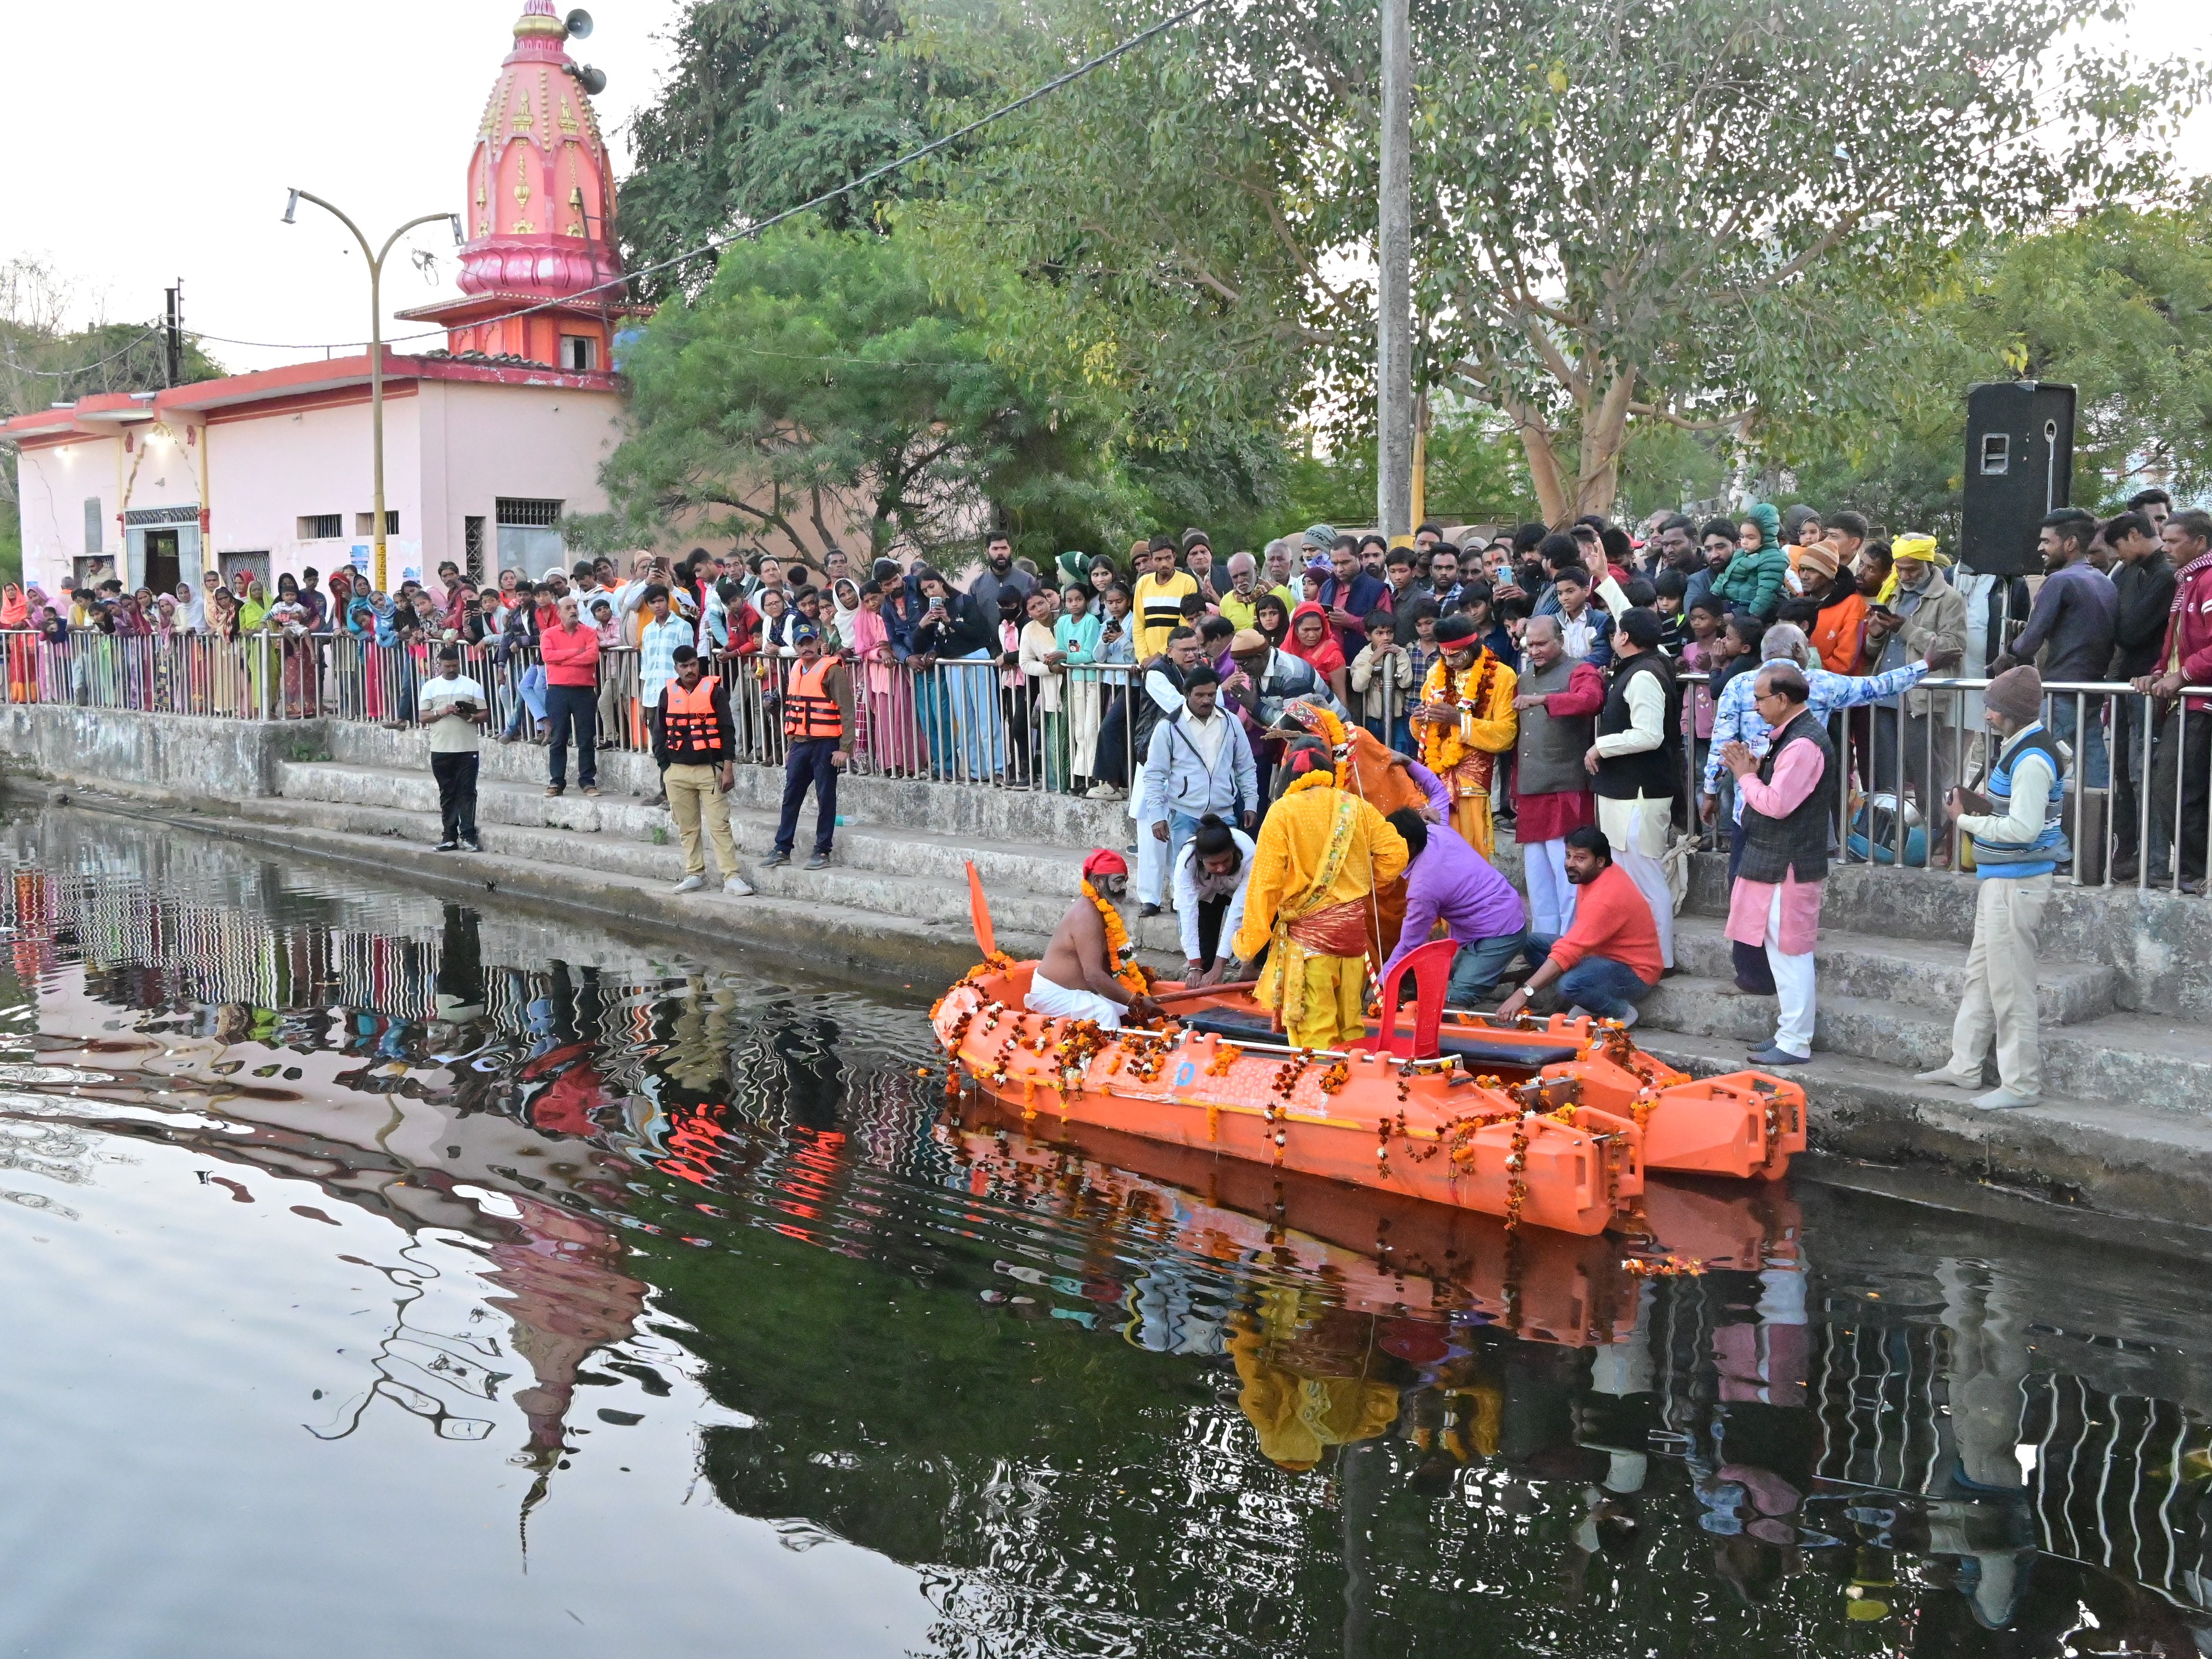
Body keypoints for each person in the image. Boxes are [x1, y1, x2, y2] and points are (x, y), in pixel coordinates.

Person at [1916, 666, 2067, 1107]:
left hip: (2017, 883)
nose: (1986, 715)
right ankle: (1964, 1066)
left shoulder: (2033, 759)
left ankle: (2021, 1085)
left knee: (2010, 986)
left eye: (1993, 709)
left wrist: (1964, 820)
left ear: (2011, 713)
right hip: (2003, 880)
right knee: (1981, 978)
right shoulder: (2023, 746)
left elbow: (2023, 828)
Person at [1230, 740, 1410, 1050]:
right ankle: (1353, 1087)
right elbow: (1396, 855)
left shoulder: (1282, 812)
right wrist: (1361, 884)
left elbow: (1265, 885)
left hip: (1310, 943)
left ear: (1287, 774)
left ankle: (1319, 1092)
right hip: (1354, 937)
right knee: (1350, 1025)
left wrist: (1249, 941)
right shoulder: (1356, 806)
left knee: (1315, 1031)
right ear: (1329, 769)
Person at [1719, 663, 1831, 1065]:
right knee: (1782, 952)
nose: (1756, 705)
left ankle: (1796, 1041)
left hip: (1790, 864)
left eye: (1761, 698)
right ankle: (1789, 1032)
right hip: (1779, 861)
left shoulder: (1804, 745)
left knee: (1791, 953)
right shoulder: (1792, 737)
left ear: (1783, 699)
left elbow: (1777, 804)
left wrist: (1746, 776)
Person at [1861, 535, 1969, 863]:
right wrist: (1877, 633)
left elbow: (1953, 648)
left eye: (1912, 569)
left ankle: (1933, 839)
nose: (1906, 576)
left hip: (1921, 699)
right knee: (1884, 773)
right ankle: (1882, 836)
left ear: (1928, 564)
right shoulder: (1892, 593)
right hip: (1887, 695)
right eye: (1900, 569)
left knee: (1925, 776)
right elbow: (1873, 651)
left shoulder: (1949, 599)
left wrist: (1906, 629)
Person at [1994, 507, 2115, 790]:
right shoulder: (2104, 581)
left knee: (2025, 755)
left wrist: (2009, 656)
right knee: (2093, 763)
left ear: (2070, 543)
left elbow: (2031, 639)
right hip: (2093, 689)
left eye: (2047, 541)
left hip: (2062, 688)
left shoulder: (2060, 581)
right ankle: (2097, 828)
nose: (2040, 548)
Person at [1495, 828, 1660, 1024]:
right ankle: (1584, 995)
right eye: (1568, 856)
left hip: (1635, 973)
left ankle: (1620, 1011)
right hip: (1597, 957)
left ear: (1600, 861)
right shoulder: (1595, 873)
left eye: (1580, 858)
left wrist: (1524, 993)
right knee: (1529, 942)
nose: (1570, 864)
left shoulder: (1605, 898)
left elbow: (1569, 950)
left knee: (1569, 984)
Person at [1589, 609, 1679, 969]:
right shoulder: (1646, 665)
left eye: (1616, 633)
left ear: (1624, 638)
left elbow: (1650, 735)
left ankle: (1661, 959)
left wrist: (1601, 746)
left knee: (1646, 876)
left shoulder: (1643, 675)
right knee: (1630, 876)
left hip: (1639, 793)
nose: (1612, 638)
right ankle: (1640, 953)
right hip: (1627, 791)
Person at [1513, 614, 1607, 935]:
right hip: (1530, 787)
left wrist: (1543, 700)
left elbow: (1591, 701)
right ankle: (1544, 945)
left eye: (1542, 643)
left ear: (1561, 641)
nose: (1535, 650)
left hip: (1565, 787)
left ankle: (1571, 943)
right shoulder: (1524, 678)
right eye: (1530, 644)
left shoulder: (1581, 670)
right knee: (1537, 879)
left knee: (1568, 874)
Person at [1381, 808, 1534, 1005]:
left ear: (1409, 848)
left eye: (1388, 846)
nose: (1383, 852)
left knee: (1451, 999)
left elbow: (1410, 943)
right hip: (1493, 920)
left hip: (1500, 932)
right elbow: (1438, 793)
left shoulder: (1423, 888)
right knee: (1436, 982)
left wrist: (1383, 982)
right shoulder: (1437, 831)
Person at [2137, 508, 2212, 892]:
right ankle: (2191, 870)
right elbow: (2179, 646)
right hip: (2189, 701)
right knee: (2175, 787)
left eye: (2172, 541)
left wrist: (2181, 676)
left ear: (2199, 543)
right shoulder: (2189, 581)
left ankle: (2196, 872)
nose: (2164, 548)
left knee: (2178, 787)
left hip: (2201, 703)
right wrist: (2158, 672)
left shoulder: (2208, 579)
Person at [2105, 509, 2177, 883]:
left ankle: (2153, 861)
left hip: (2148, 687)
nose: (2116, 556)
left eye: (2118, 546)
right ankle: (2134, 854)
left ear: (2134, 536)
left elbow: (2132, 631)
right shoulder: (2131, 572)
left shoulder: (2164, 575)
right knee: (2124, 773)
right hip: (2126, 684)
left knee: (2143, 775)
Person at [1142, 664, 1259, 895]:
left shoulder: (1231, 722)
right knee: (1186, 885)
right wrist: (1156, 816)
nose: (1206, 700)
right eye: (1200, 695)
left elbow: (1245, 766)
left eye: (1212, 694)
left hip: (1224, 813)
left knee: (1230, 882)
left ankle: (1228, 932)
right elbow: (1154, 774)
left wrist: (1251, 802)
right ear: (1187, 694)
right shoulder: (1169, 727)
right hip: (1184, 815)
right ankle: (1187, 931)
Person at [653, 645, 757, 897]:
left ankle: (731, 877)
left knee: (719, 824)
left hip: (710, 770)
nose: (690, 670)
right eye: (684, 666)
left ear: (698, 665)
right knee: (687, 827)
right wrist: (665, 768)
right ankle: (695, 874)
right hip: (677, 771)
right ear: (676, 668)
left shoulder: (715, 692)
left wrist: (727, 766)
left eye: (693, 665)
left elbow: (727, 730)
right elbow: (659, 732)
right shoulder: (667, 693)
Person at [1413, 613, 1518, 859]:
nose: (1450, 663)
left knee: (1471, 853)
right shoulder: (1435, 674)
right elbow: (1423, 735)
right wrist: (1419, 720)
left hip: (1473, 782)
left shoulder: (1502, 676)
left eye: (1457, 655)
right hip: (1436, 779)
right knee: (1436, 852)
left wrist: (1459, 720)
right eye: (1445, 656)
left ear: (1474, 647)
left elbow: (1506, 735)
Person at [1028, 849, 1161, 1030]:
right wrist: (1135, 1000)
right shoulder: (1086, 915)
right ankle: (1109, 1058)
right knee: (1104, 1013)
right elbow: (1093, 975)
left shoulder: (1103, 909)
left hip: (1083, 992)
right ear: (1098, 881)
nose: (1123, 888)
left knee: (1143, 1016)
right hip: (1053, 995)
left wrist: (1134, 995)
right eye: (1118, 881)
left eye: (1125, 881)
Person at [762, 623, 853, 871]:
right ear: (795, 647)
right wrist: (791, 744)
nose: (806, 647)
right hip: (801, 744)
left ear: (818, 642)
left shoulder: (832, 671)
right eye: (801, 644)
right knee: (791, 796)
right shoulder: (795, 669)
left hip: (826, 744)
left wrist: (845, 748)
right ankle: (782, 848)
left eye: (810, 642)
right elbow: (793, 710)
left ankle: (822, 851)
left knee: (826, 798)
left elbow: (847, 710)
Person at [418, 644, 487, 853]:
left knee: (467, 792)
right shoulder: (430, 687)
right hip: (441, 748)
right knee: (447, 792)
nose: (452, 669)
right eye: (447, 666)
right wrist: (442, 712)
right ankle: (449, 836)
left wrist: (468, 716)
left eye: (455, 665)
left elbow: (484, 715)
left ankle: (468, 836)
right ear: (439, 666)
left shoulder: (472, 686)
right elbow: (422, 717)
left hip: (467, 748)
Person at [1173, 813, 1256, 984]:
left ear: (1233, 851)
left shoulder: (1250, 855)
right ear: (1201, 859)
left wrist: (1221, 965)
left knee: (1256, 913)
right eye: (1213, 864)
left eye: (1226, 861)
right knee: (1205, 963)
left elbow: (1238, 912)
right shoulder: (1186, 862)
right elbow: (1187, 911)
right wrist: (1195, 964)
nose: (1220, 868)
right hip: (1207, 896)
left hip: (1243, 897)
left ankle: (1253, 964)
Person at [538, 592, 601, 798]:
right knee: (558, 739)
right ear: (559, 613)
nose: (574, 610)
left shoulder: (590, 632)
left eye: (575, 607)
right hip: (558, 692)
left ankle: (587, 781)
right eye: (569, 608)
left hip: (584, 691)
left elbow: (592, 656)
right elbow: (548, 656)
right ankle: (556, 781)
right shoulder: (548, 634)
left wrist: (563, 660)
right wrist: (576, 652)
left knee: (585, 739)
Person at [1349, 609, 1413, 751]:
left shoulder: (1400, 652)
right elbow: (1358, 686)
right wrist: (1372, 661)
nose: (1386, 638)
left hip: (1397, 717)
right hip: (1373, 718)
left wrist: (1401, 657)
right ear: (1368, 636)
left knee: (1400, 752)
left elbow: (1406, 682)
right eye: (1379, 633)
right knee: (1375, 753)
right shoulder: (1364, 656)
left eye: (1389, 633)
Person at [1715, 505, 1791, 622]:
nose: (1744, 542)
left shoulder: (1774, 558)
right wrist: (1713, 594)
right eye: (1742, 537)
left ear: (1766, 537)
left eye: (1751, 538)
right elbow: (1726, 575)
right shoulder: (1741, 553)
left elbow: (1766, 593)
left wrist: (1751, 616)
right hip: (1734, 602)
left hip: (1750, 609)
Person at [1132, 538, 1199, 660]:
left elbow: (1184, 627)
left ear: (1174, 557)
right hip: (1148, 661)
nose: (1164, 564)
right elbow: (1138, 626)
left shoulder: (1187, 582)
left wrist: (1158, 657)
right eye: (1158, 559)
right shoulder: (1143, 584)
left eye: (1168, 558)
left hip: (1178, 658)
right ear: (1151, 559)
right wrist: (1143, 658)